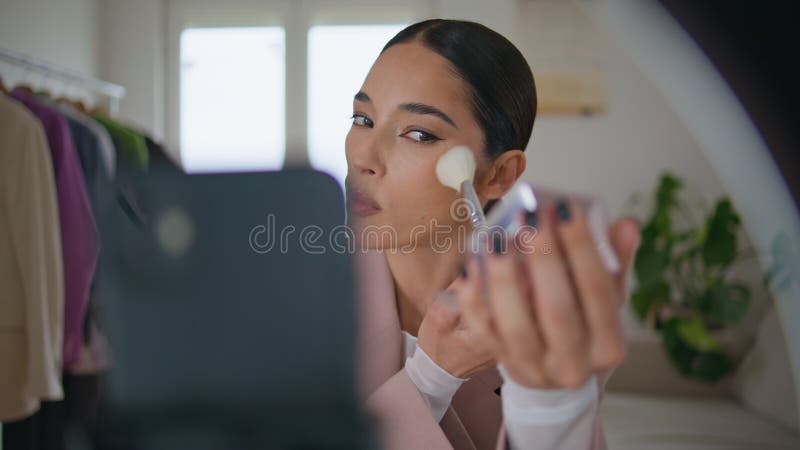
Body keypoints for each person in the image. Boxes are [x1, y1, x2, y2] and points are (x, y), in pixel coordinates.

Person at [345, 19, 641, 449]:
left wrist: (549, 405)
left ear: (499, 174)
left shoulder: (541, 313)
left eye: (418, 133)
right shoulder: (296, 299)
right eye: (362, 118)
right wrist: (429, 377)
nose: (364, 157)